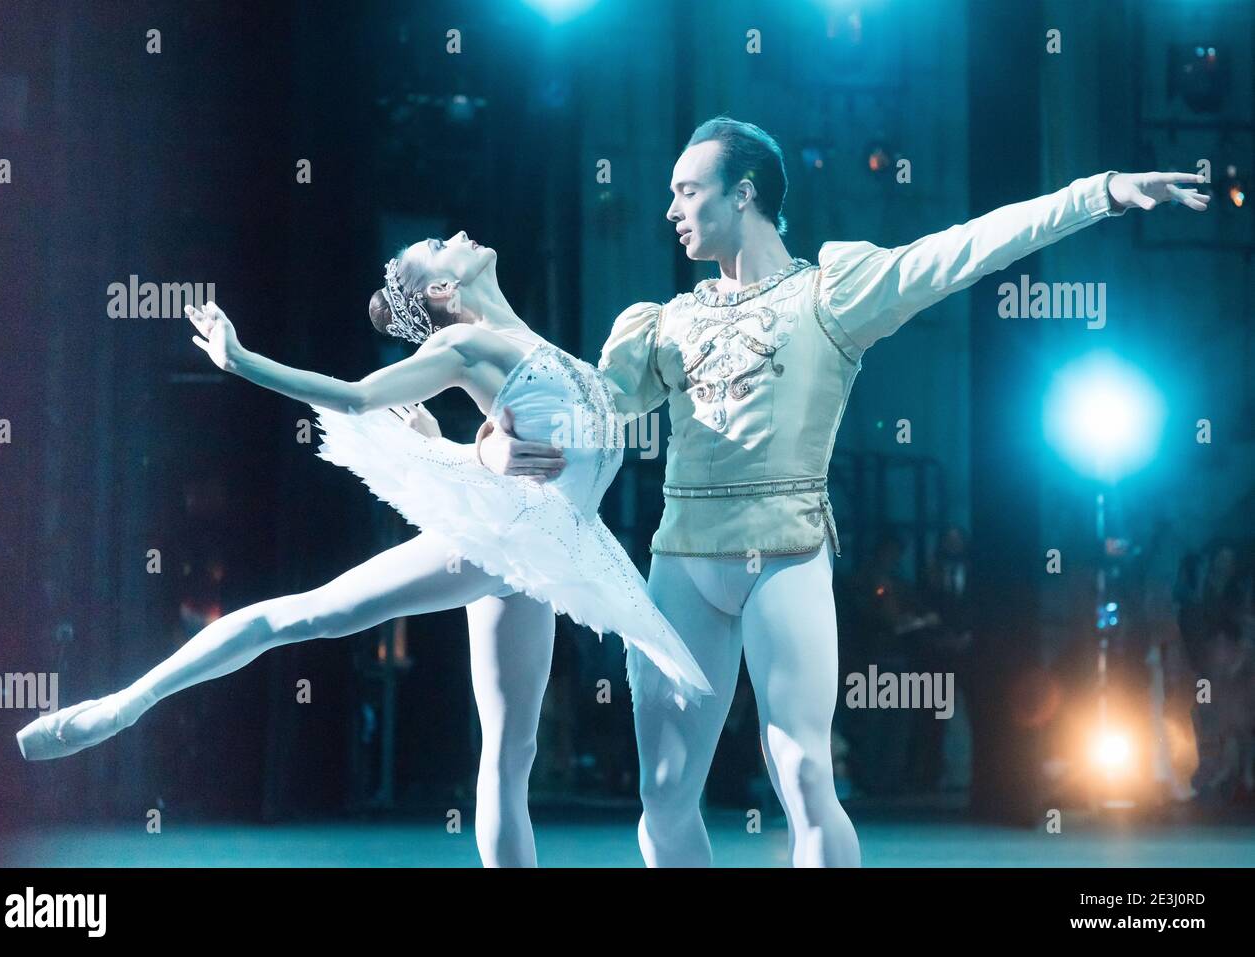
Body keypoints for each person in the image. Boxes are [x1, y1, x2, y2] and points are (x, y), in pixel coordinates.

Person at [475, 116, 1211, 866]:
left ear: (744, 194)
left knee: (802, 771)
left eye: (687, 190)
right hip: (681, 558)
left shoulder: (833, 294)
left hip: (784, 554)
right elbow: (585, 409)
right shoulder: (664, 322)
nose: (670, 208)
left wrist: (1105, 192)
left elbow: (965, 248)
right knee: (664, 793)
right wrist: (497, 433)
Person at [15, 231, 712, 867]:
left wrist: (466, 444)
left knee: (511, 754)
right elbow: (354, 397)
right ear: (443, 289)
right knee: (306, 614)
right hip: (506, 537)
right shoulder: (459, 347)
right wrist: (242, 359)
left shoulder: (539, 345)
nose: (459, 235)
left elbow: (556, 443)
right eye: (441, 244)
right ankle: (126, 702)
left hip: (547, 549)